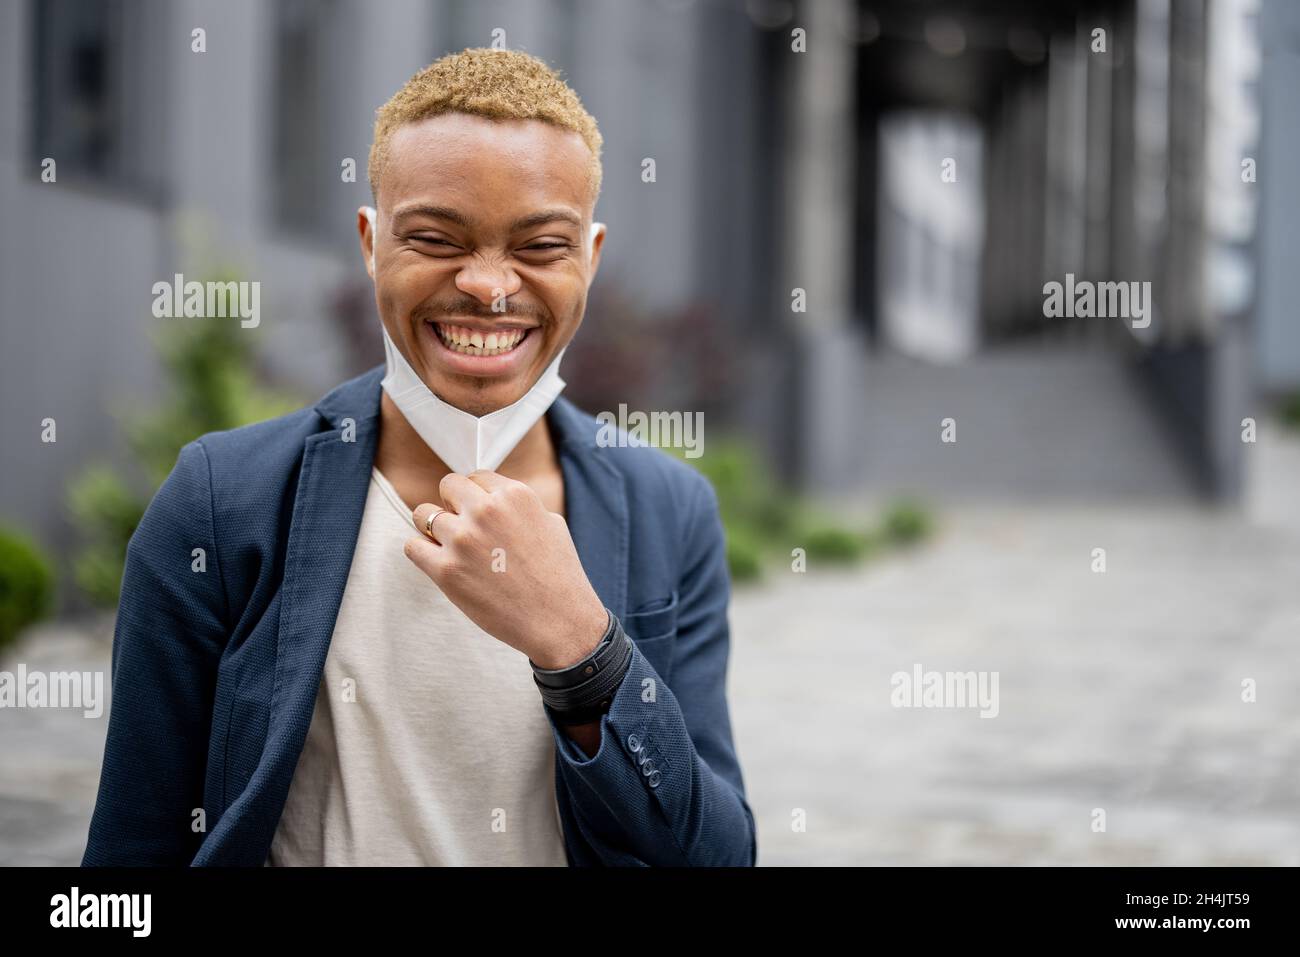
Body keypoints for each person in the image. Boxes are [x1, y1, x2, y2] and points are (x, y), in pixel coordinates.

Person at [81, 48, 755, 866]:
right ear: (371, 242)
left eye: (541, 245)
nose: (486, 284)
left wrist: (581, 644)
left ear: (592, 256)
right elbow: (128, 861)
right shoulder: (223, 501)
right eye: (437, 236)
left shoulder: (670, 510)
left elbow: (717, 852)